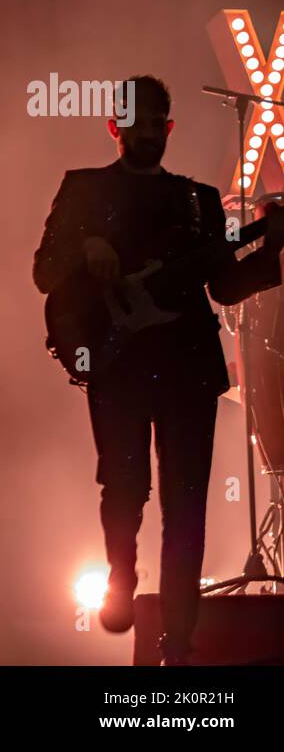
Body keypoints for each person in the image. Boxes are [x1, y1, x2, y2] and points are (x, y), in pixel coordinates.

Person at [33, 75, 284, 664]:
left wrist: (271, 252)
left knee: (187, 502)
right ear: (114, 125)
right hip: (118, 361)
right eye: (138, 122)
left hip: (188, 366)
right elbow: (45, 273)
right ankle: (121, 578)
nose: (150, 133)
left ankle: (178, 641)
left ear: (170, 127)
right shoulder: (82, 190)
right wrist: (86, 247)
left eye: (159, 123)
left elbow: (222, 285)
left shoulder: (198, 200)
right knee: (124, 488)